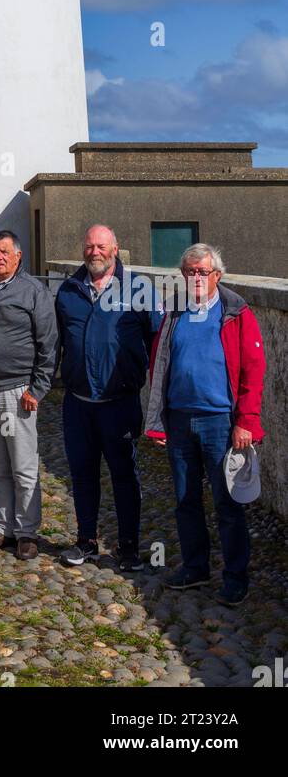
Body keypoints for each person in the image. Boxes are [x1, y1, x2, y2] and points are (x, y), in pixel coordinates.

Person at [146, 243, 265, 607]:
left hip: (220, 422)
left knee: (227, 503)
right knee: (186, 500)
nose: (196, 278)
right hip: (180, 419)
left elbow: (253, 370)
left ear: (217, 275)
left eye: (203, 272)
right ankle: (195, 568)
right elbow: (160, 362)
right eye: (190, 272)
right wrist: (158, 420)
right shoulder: (176, 310)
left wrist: (246, 421)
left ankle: (235, 576)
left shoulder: (236, 312)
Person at [55, 225, 162, 571]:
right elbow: (55, 342)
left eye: (101, 246)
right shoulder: (68, 291)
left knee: (124, 475)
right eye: (89, 246)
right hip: (78, 403)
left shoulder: (139, 289)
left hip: (120, 403)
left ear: (116, 248)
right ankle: (86, 541)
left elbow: (158, 341)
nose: (94, 252)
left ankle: (128, 547)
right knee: (82, 474)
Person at [0, 230, 57, 560]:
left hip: (18, 392)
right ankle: (3, 527)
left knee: (23, 465)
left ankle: (27, 531)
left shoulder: (33, 291)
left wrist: (38, 388)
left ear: (18, 256)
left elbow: (48, 344)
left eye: (4, 252)